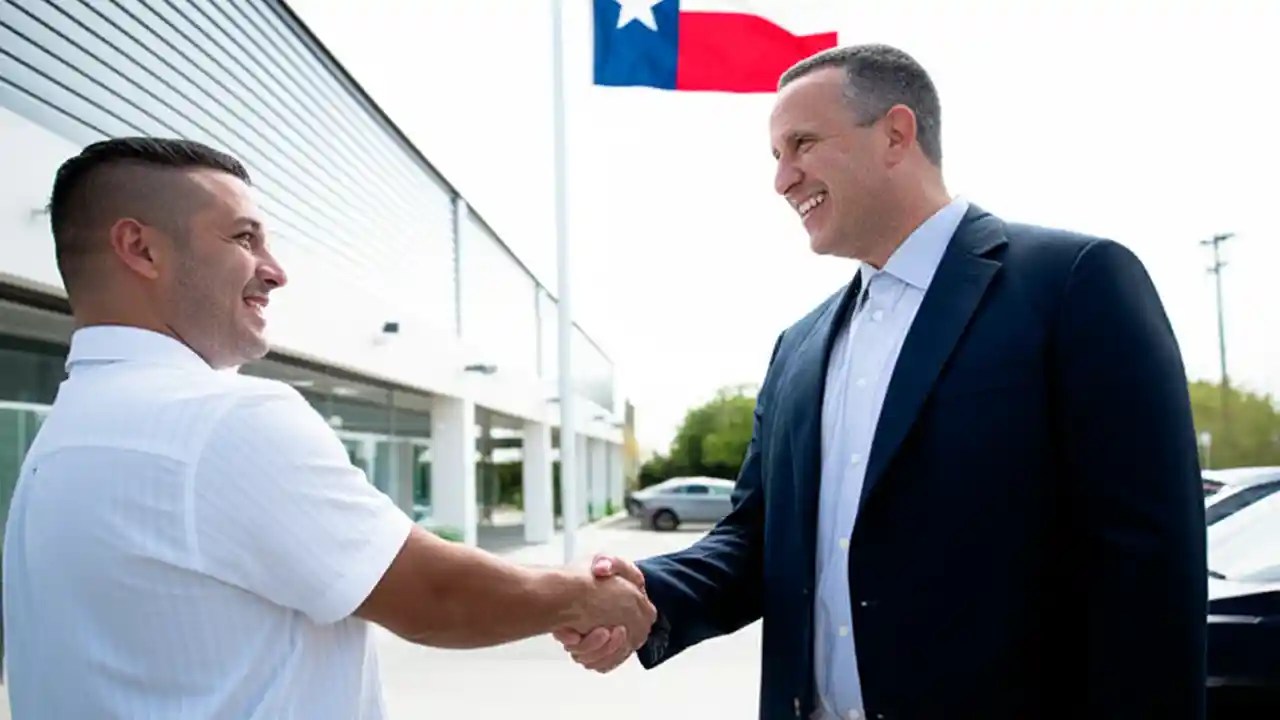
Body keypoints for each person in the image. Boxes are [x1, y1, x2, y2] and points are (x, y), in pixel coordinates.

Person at [556, 43, 1207, 719]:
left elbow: (1149, 568)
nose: (782, 179)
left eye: (802, 144)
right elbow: (754, 540)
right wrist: (644, 592)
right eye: (776, 155)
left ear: (896, 134)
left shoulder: (1073, 284)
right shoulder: (798, 347)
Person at [0, 137, 654, 719]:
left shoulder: (58, 443)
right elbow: (434, 596)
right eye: (244, 238)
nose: (275, 270)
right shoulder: (223, 421)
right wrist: (580, 594)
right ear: (141, 249)